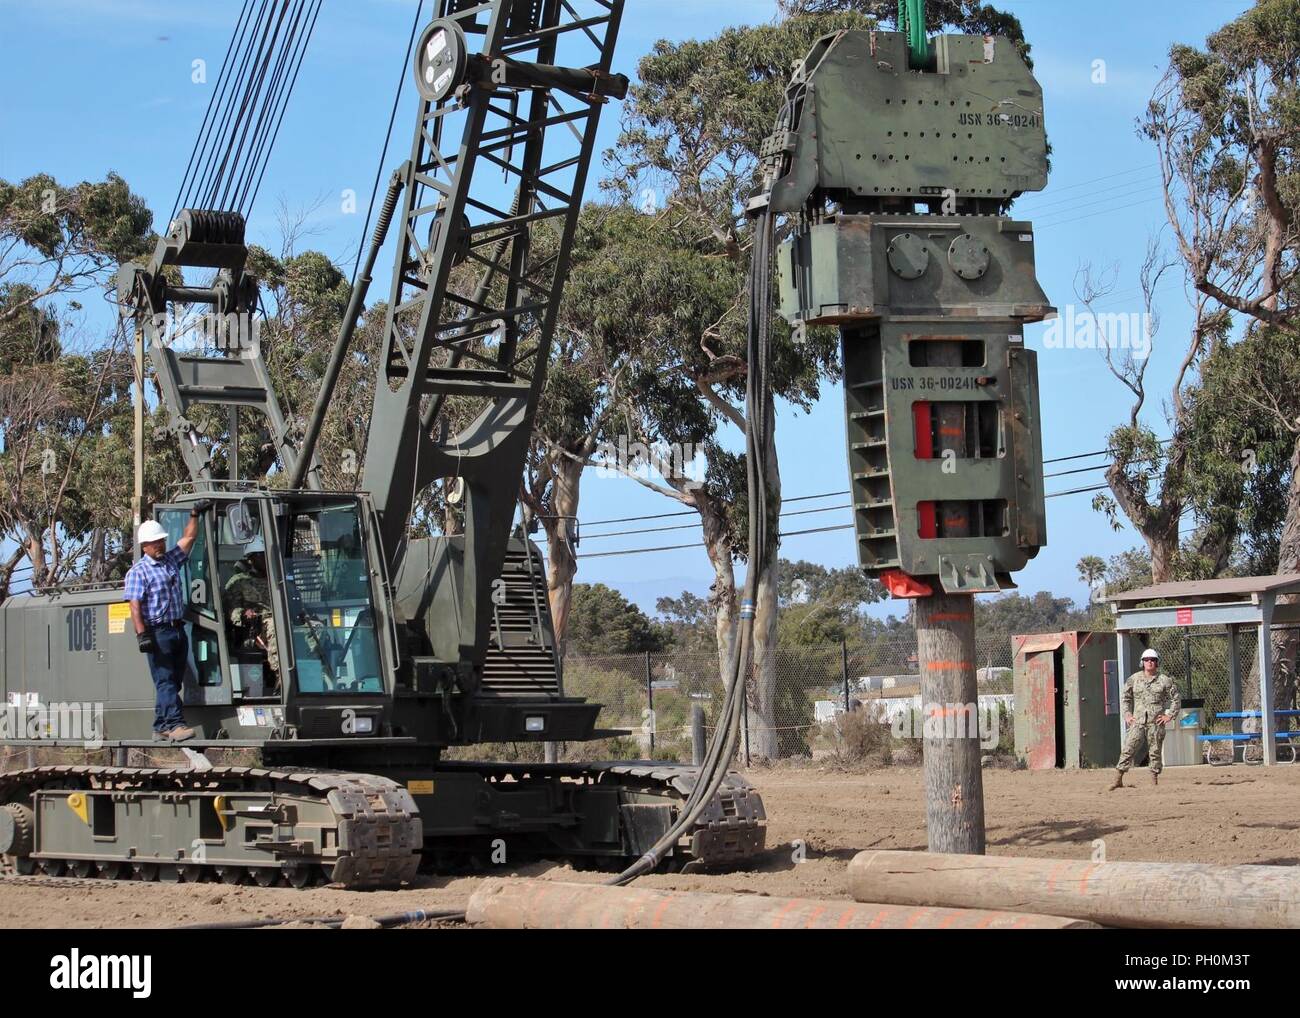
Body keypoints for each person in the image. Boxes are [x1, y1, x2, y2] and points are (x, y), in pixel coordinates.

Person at [123, 500, 209, 741]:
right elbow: (134, 605)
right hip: (158, 632)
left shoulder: (170, 560)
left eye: (161, 540)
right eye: (154, 542)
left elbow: (189, 539)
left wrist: (194, 514)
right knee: (165, 680)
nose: (160, 545)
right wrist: (142, 635)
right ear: (144, 546)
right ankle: (174, 725)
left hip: (177, 630)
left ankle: (160, 725)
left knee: (174, 679)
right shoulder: (138, 572)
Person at [1109, 648, 1182, 789]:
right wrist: (1127, 714)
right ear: (1142, 662)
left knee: (1155, 752)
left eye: (1153, 660)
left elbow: (1176, 699)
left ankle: (1153, 780)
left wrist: (1170, 715)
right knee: (1128, 748)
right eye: (1147, 660)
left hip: (1156, 722)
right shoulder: (1134, 679)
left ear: (1157, 662)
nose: (1150, 662)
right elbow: (1125, 698)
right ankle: (1118, 778)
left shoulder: (1164, 680)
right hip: (1138, 721)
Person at [224, 550, 280, 690]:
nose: (265, 558)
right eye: (260, 555)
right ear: (251, 559)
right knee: (276, 627)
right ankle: (282, 675)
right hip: (258, 625)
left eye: (266, 554)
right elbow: (231, 610)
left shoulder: (278, 580)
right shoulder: (239, 581)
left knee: (315, 628)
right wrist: (243, 614)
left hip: (282, 618)